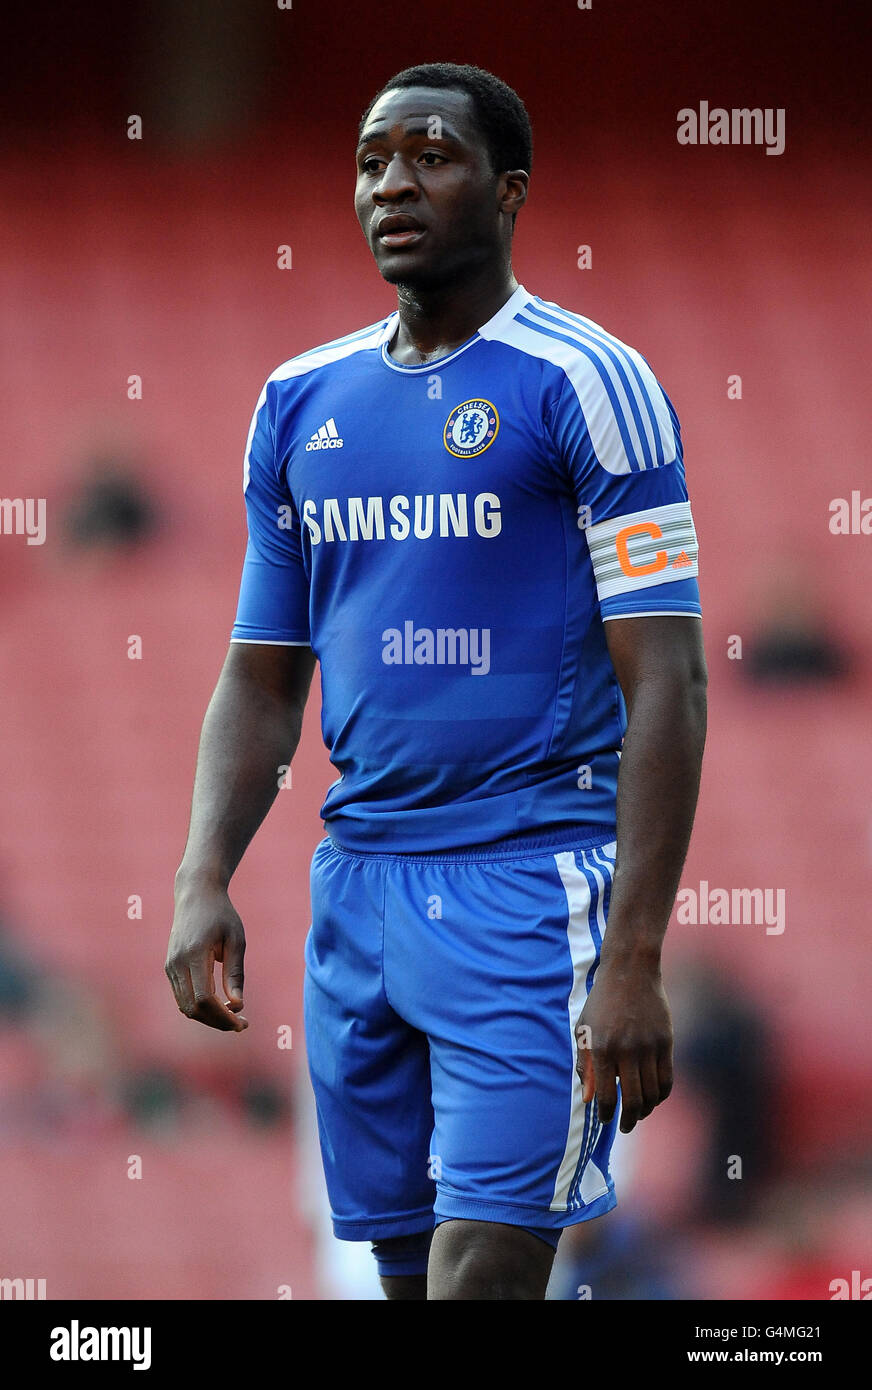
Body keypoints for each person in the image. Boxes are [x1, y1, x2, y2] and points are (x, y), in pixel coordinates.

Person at [165, 62, 708, 1301]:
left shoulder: (585, 384)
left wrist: (632, 953)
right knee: (403, 1281)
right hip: (358, 892)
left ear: (510, 191)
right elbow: (260, 678)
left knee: (486, 1274)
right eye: (370, 161)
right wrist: (204, 874)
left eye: (430, 156)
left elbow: (668, 679)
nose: (392, 184)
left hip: (530, 886)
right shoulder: (299, 401)